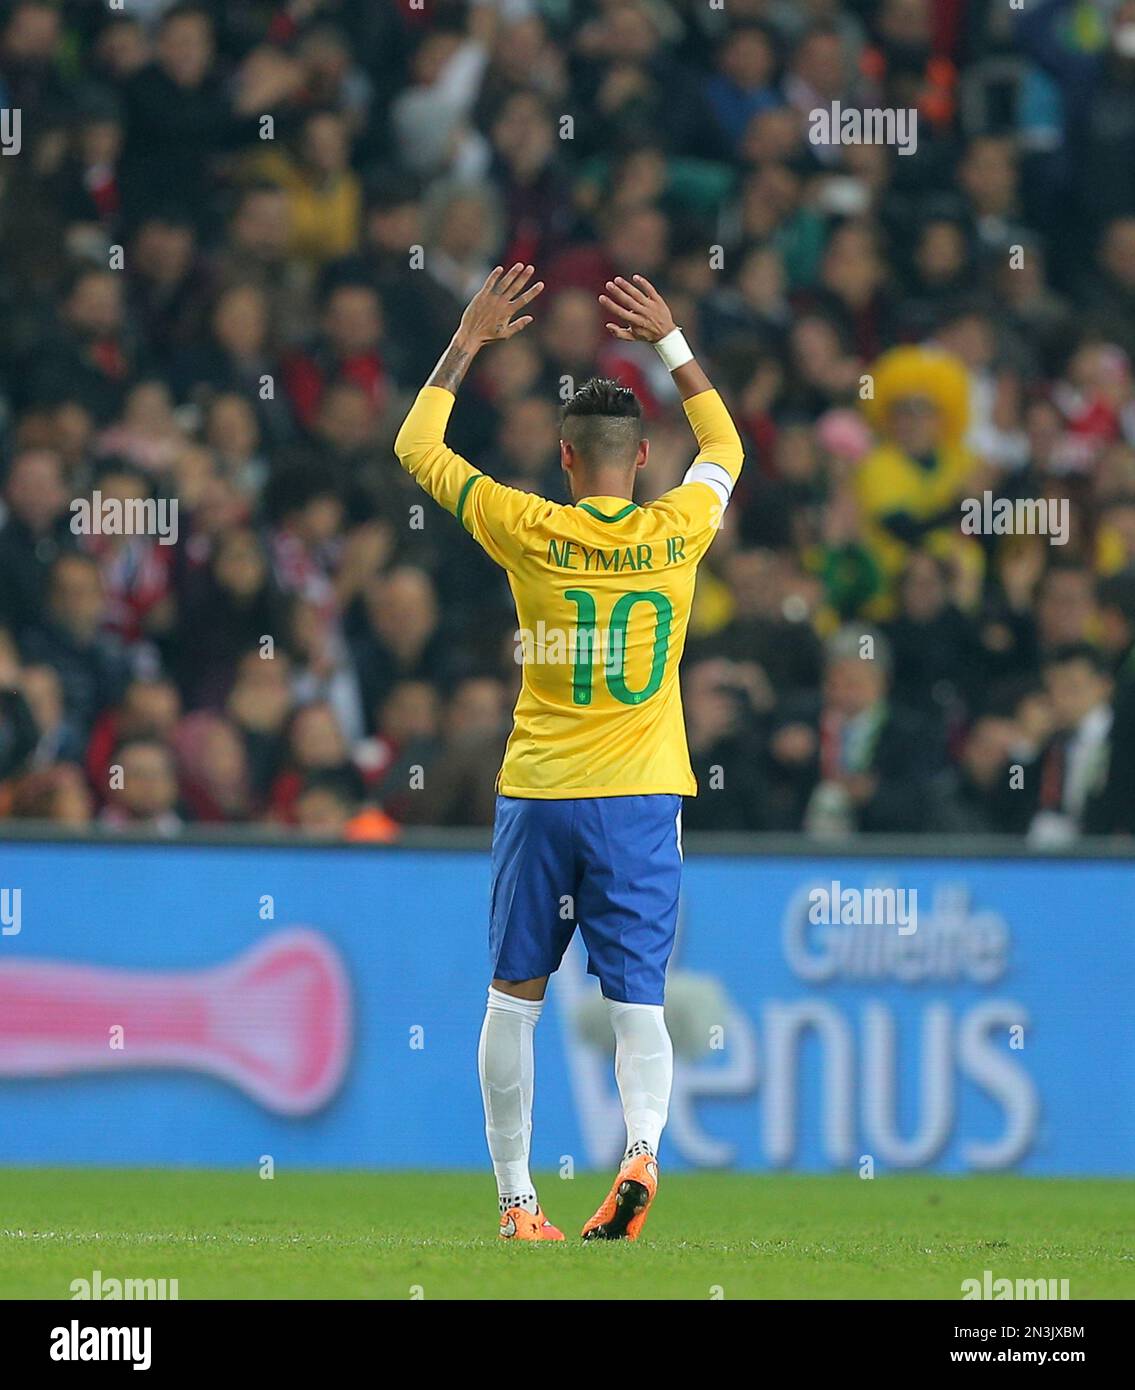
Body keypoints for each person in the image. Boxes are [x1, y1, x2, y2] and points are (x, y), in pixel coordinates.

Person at [394, 264, 744, 1242]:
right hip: (637, 797)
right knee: (639, 1002)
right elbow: (724, 444)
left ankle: (516, 1203)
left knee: (514, 1003)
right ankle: (640, 1150)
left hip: (540, 790)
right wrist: (670, 339)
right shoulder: (677, 529)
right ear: (639, 464)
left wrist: (468, 340)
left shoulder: (528, 527)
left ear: (562, 458)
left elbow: (415, 444)